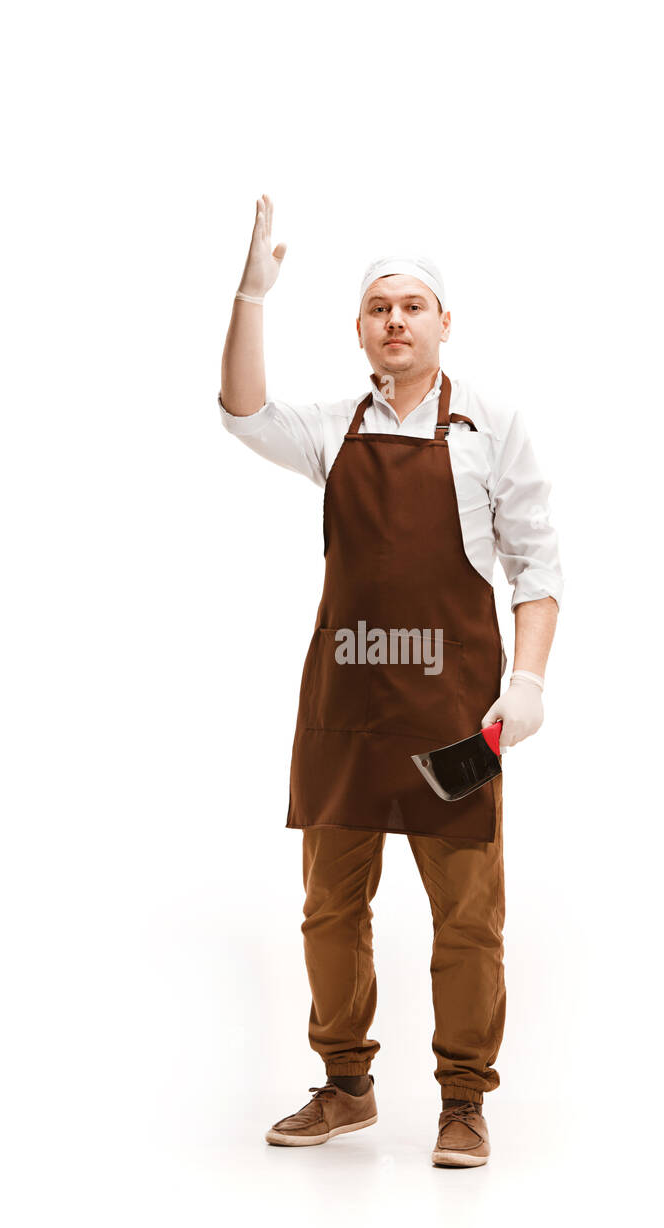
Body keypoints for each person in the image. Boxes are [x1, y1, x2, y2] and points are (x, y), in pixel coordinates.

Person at [218, 194, 564, 1167]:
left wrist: (527, 682)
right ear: (361, 331)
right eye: (379, 308)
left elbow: (537, 571)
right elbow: (242, 409)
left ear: (443, 322)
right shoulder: (333, 428)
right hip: (341, 713)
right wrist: (249, 296)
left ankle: (463, 1097)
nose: (396, 321)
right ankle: (344, 1085)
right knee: (329, 907)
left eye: (412, 305)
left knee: (466, 914)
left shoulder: (492, 429)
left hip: (454, 715)